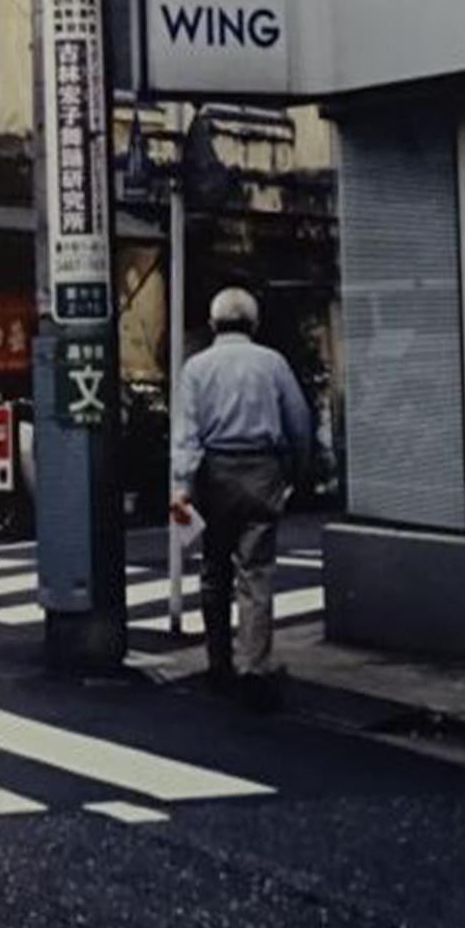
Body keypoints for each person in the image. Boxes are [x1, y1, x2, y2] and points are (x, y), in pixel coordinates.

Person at [169, 287, 312, 711]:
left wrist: (183, 485)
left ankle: (218, 662)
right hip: (262, 470)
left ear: (213, 325)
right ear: (254, 324)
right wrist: (294, 474)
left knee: (214, 569)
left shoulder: (196, 368)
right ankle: (254, 667)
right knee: (256, 571)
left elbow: (186, 434)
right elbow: (299, 423)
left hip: (213, 473)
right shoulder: (273, 364)